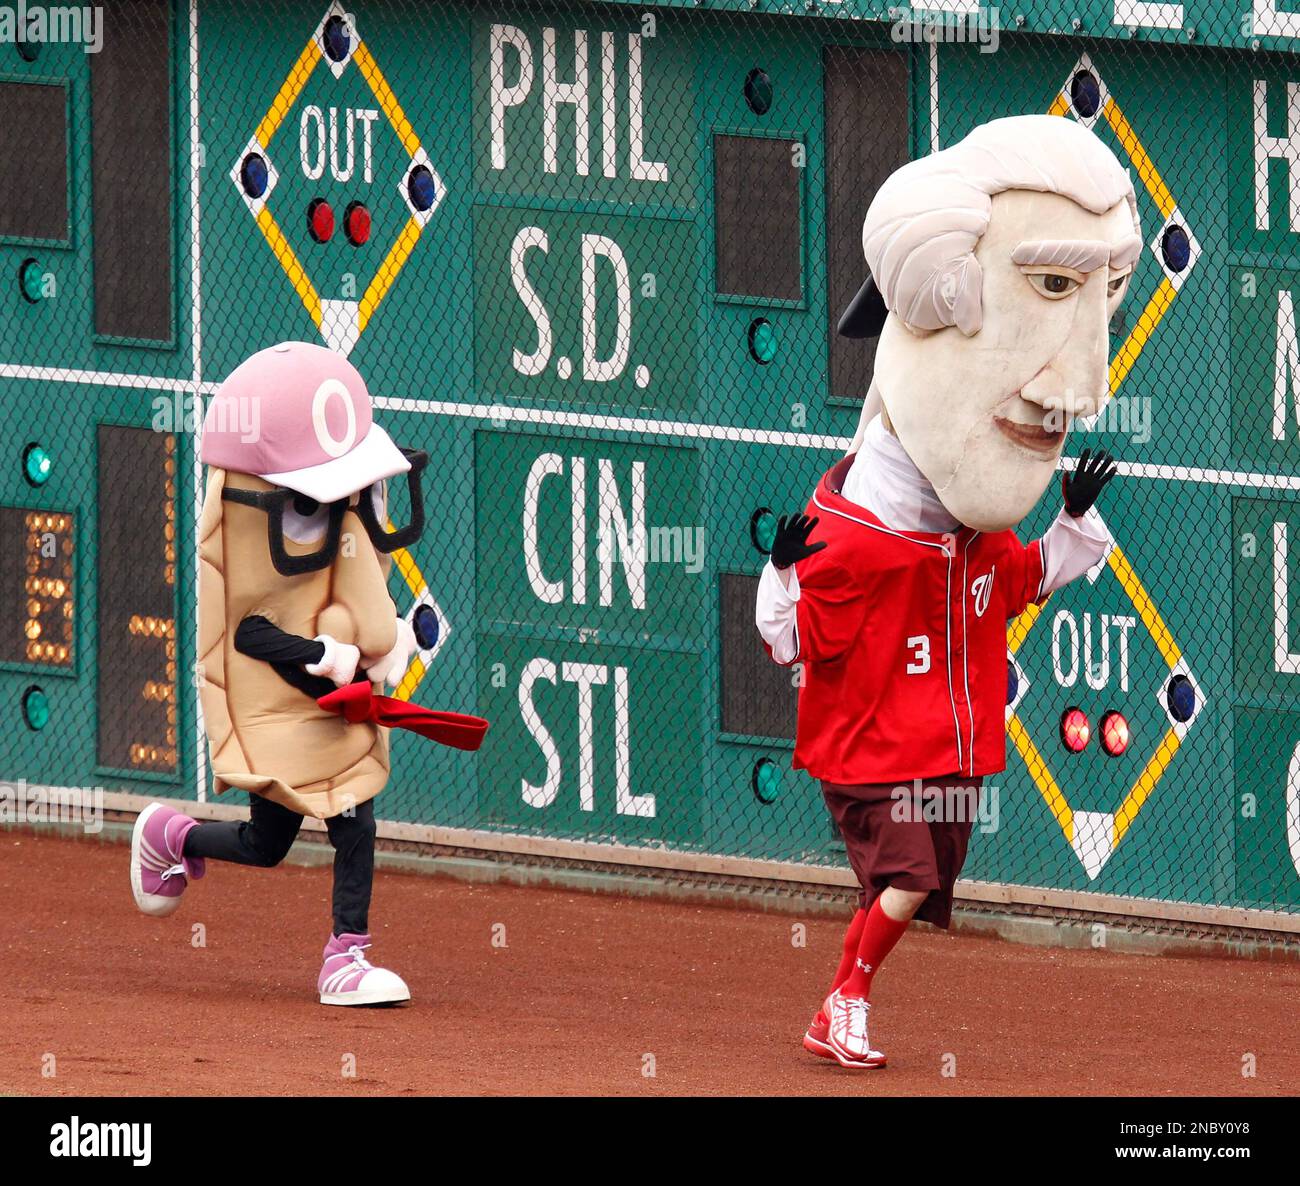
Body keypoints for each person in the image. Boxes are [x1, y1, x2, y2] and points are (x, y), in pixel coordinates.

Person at [755, 115, 1137, 1068]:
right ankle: (844, 1003)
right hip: (878, 760)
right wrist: (780, 570)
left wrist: (1072, 522)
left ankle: (834, 1000)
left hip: (946, 754)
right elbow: (789, 640)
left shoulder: (971, 548)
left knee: (920, 887)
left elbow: (1028, 580)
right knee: (907, 878)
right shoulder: (855, 542)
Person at [128, 341, 486, 1005]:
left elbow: (364, 614)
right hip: (287, 721)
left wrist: (393, 643)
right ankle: (344, 957)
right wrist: (320, 657)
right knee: (328, 831)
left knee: (270, 843)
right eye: (313, 505)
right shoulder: (258, 587)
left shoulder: (341, 556)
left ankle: (170, 836)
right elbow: (251, 633)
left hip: (335, 723)